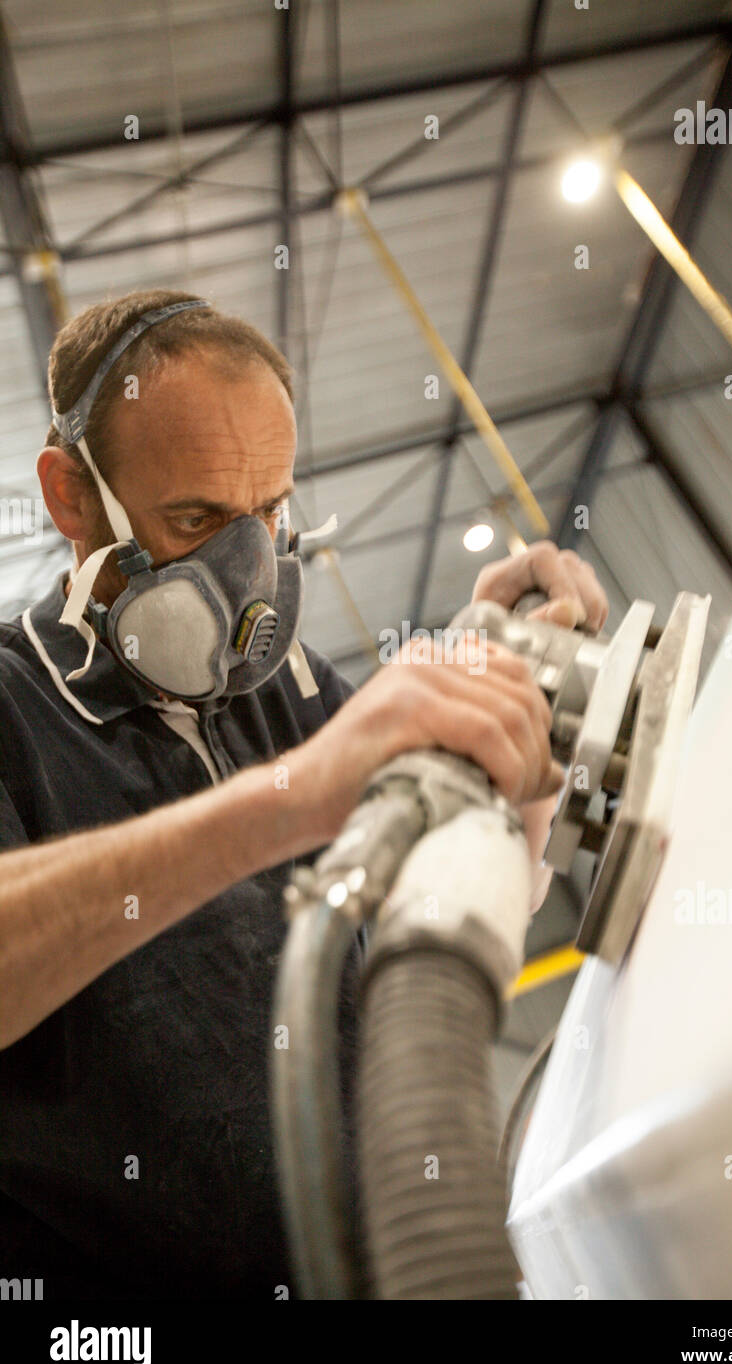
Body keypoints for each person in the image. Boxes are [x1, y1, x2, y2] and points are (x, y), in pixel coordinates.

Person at [0, 289, 608, 1299]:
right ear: (70, 498)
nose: (248, 575)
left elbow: (450, 879)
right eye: (194, 517)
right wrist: (286, 800)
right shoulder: (15, 705)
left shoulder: (291, 691)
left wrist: (503, 687)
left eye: (271, 513)